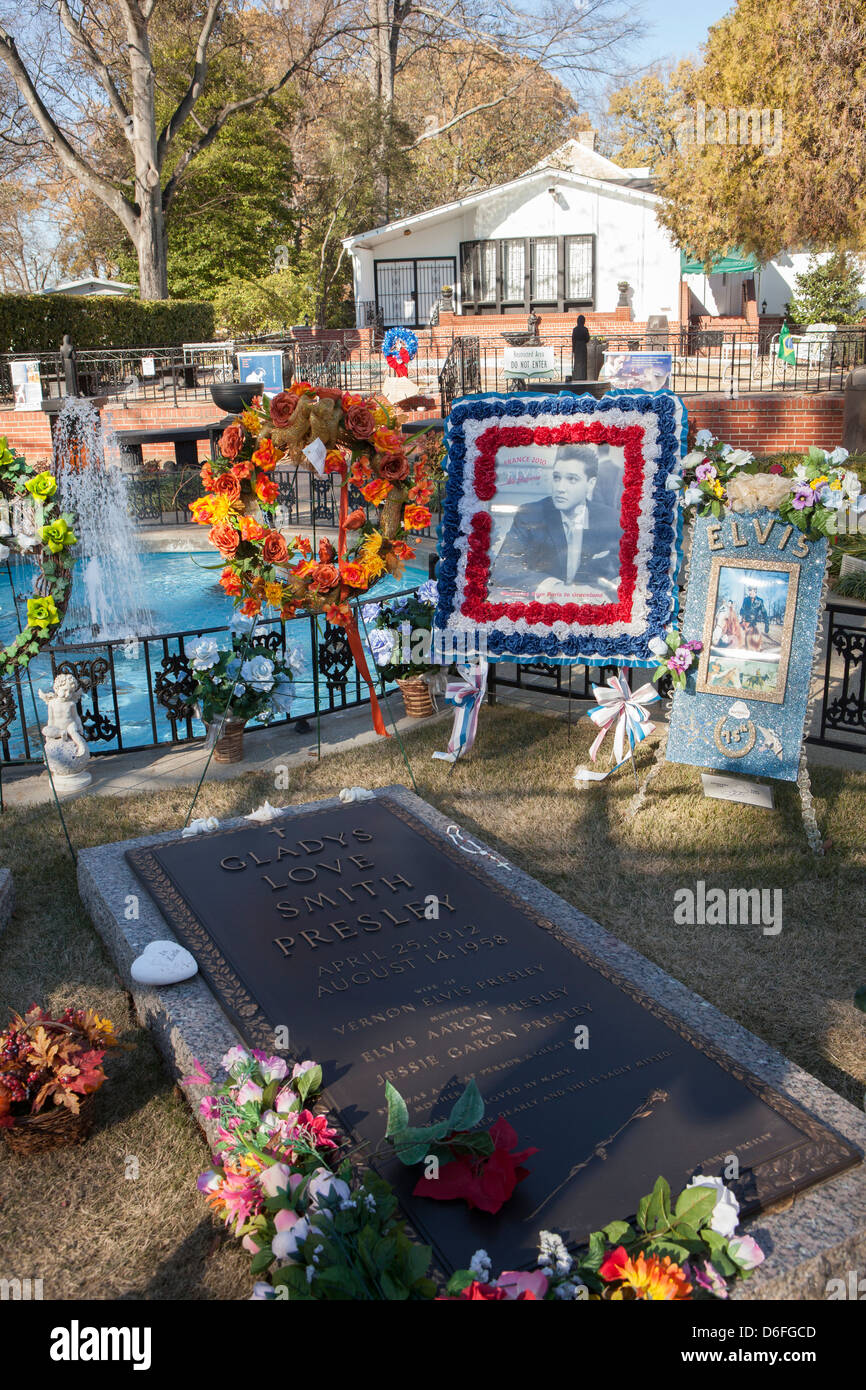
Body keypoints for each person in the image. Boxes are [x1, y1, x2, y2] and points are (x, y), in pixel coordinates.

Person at [492, 445, 620, 596]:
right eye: (557, 477)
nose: (560, 487)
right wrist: (554, 589)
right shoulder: (530, 514)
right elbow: (504, 566)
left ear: (590, 484)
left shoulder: (612, 519)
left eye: (572, 479)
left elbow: (629, 569)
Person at [571, 314, 589, 381]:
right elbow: (587, 339)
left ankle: (577, 376)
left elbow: (573, 339)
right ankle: (583, 376)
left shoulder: (575, 329)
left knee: (577, 362)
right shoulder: (585, 329)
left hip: (577, 346)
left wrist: (573, 348)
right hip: (583, 346)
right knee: (583, 362)